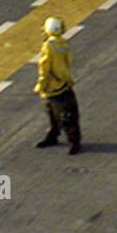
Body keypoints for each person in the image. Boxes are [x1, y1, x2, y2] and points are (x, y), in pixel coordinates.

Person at [34, 17, 81, 154]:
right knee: (69, 114)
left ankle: (57, 137)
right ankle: (73, 140)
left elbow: (44, 67)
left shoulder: (48, 46)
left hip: (52, 86)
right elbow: (68, 61)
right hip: (64, 83)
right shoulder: (64, 44)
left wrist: (40, 85)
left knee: (54, 113)